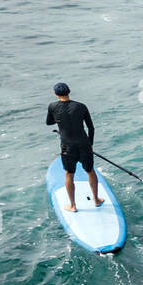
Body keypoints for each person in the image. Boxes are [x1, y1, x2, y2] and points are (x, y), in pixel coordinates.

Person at [46, 82, 102, 211]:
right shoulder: (81, 106)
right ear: (69, 91)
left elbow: (49, 122)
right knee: (90, 171)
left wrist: (60, 119)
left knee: (69, 174)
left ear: (55, 94)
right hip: (84, 144)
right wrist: (90, 144)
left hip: (67, 146)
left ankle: (72, 205)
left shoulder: (52, 107)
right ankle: (97, 200)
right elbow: (91, 128)